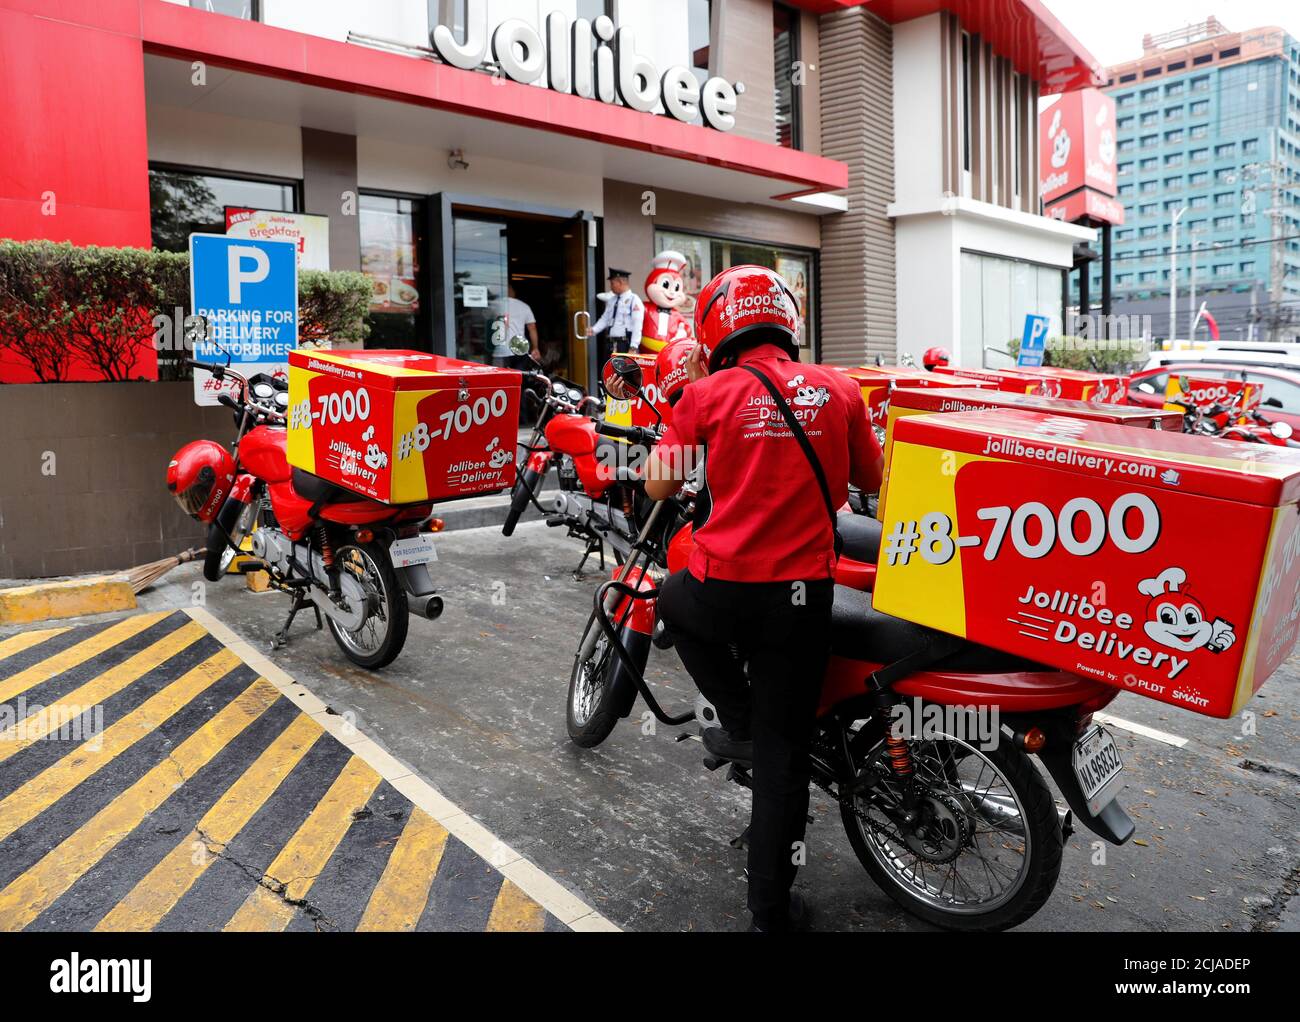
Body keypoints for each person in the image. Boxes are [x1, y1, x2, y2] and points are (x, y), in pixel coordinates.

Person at [642, 265, 883, 933]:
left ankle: (736, 722)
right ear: (787, 321)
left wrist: (686, 406)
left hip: (722, 590)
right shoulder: (841, 387)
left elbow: (660, 489)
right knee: (786, 757)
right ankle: (770, 913)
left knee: (669, 601)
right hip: (801, 601)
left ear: (718, 325)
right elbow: (870, 477)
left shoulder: (707, 393)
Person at [588, 268, 645, 356]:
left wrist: (633, 347)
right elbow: (605, 319)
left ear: (620, 282)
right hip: (611, 344)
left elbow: (637, 325)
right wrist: (593, 330)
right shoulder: (612, 300)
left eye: (612, 283)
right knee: (609, 369)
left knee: (624, 369)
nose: (611, 287)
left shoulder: (634, 300)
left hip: (625, 344)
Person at [491, 285, 539, 368]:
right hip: (520, 349)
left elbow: (485, 319)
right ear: (513, 292)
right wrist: (535, 348)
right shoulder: (524, 306)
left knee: (501, 379)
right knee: (519, 377)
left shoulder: (495, 304)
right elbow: (532, 329)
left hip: (501, 350)